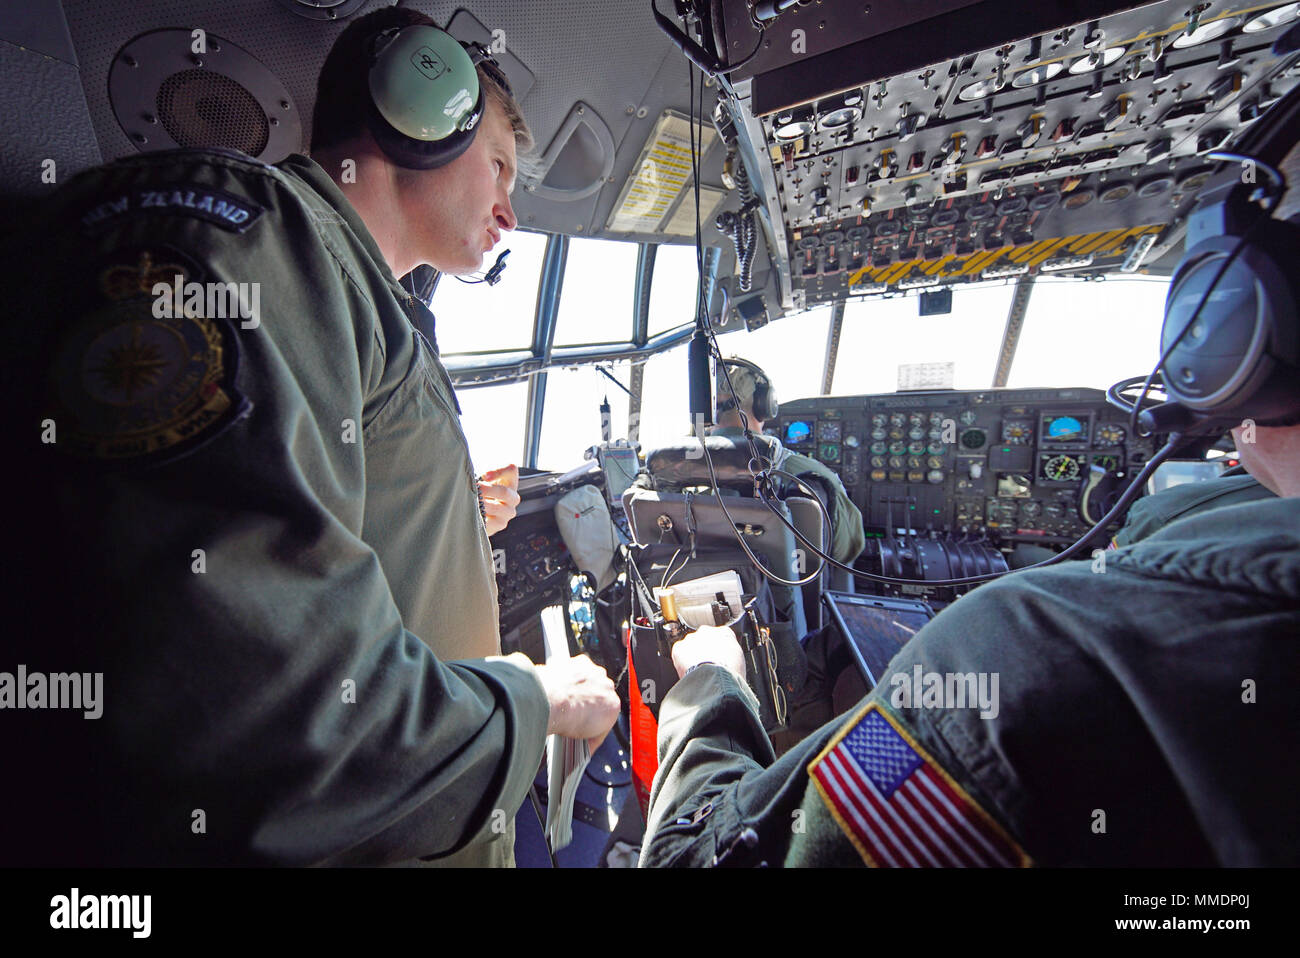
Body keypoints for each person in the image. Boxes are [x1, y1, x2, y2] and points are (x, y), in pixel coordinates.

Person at [1, 6, 619, 866]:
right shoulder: (244, 239)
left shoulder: (356, 297)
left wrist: (445, 528)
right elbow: (286, 729)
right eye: (502, 167)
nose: (512, 212)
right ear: (420, 110)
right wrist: (536, 696)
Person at [636, 158, 1300, 870]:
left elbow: (693, 852)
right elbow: (851, 544)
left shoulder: (992, 658)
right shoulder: (994, 642)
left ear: (1239, 369)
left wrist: (709, 678)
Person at [710, 358, 866, 564]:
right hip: (784, 590)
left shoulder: (668, 467)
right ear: (764, 405)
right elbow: (846, 549)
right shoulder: (809, 473)